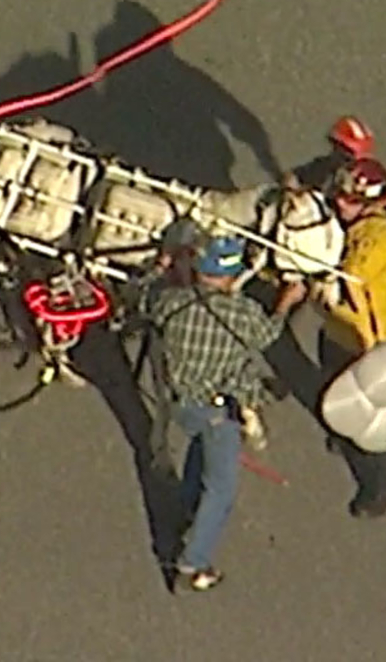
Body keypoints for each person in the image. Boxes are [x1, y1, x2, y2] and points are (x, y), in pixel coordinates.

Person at [138, 235, 307, 591]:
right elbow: (268, 335)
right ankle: (192, 564)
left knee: (199, 456)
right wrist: (286, 303)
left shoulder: (171, 302)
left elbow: (145, 301)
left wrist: (163, 270)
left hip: (181, 405)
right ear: (231, 277)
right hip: (219, 409)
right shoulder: (242, 313)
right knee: (221, 489)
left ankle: (185, 511)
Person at [317, 156, 386, 518]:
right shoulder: (354, 227)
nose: (341, 203)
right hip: (338, 332)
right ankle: (343, 432)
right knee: (334, 391)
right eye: (341, 196)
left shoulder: (379, 242)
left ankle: (381, 486)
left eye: (350, 200)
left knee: (372, 421)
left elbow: (350, 279)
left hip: (366, 343)